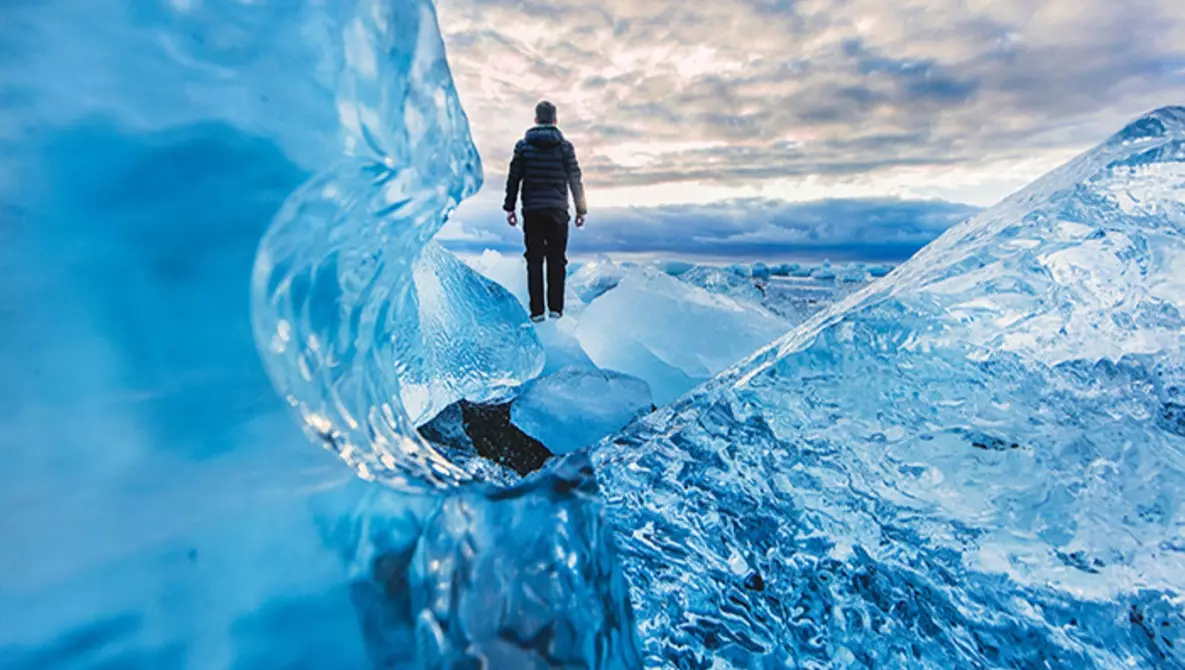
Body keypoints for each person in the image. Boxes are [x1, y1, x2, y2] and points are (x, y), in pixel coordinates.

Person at [503, 100, 588, 322]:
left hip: (532, 211)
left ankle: (537, 312)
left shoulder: (523, 146)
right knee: (557, 260)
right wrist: (581, 210)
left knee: (534, 260)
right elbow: (575, 179)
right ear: (555, 120)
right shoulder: (565, 147)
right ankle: (556, 310)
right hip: (559, 211)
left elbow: (514, 178)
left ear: (535, 119)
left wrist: (509, 207)